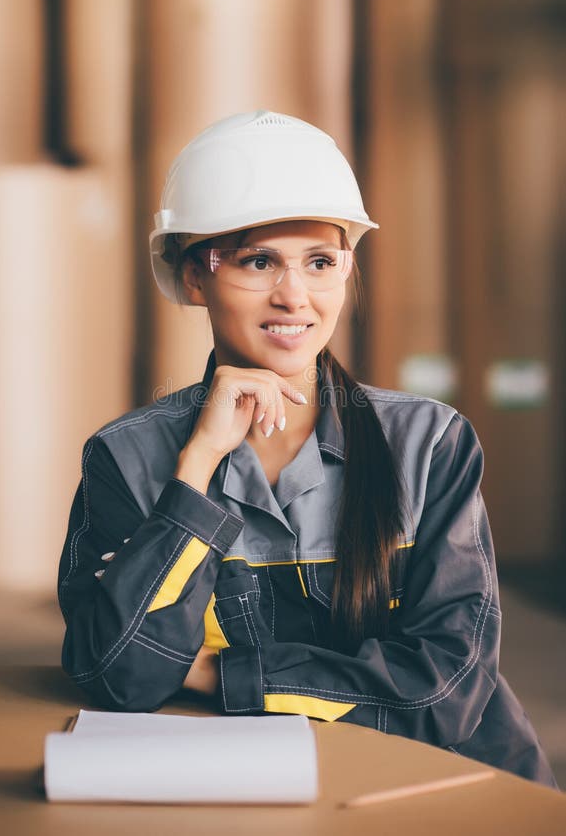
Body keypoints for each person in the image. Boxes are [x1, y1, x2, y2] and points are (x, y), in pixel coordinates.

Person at [58, 110, 557, 788]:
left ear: (345, 272)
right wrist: (197, 467)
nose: (294, 296)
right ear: (192, 277)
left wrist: (218, 675)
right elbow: (118, 674)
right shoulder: (128, 458)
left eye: (319, 262)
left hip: (451, 788)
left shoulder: (427, 443)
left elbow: (442, 692)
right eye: (258, 261)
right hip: (262, 792)